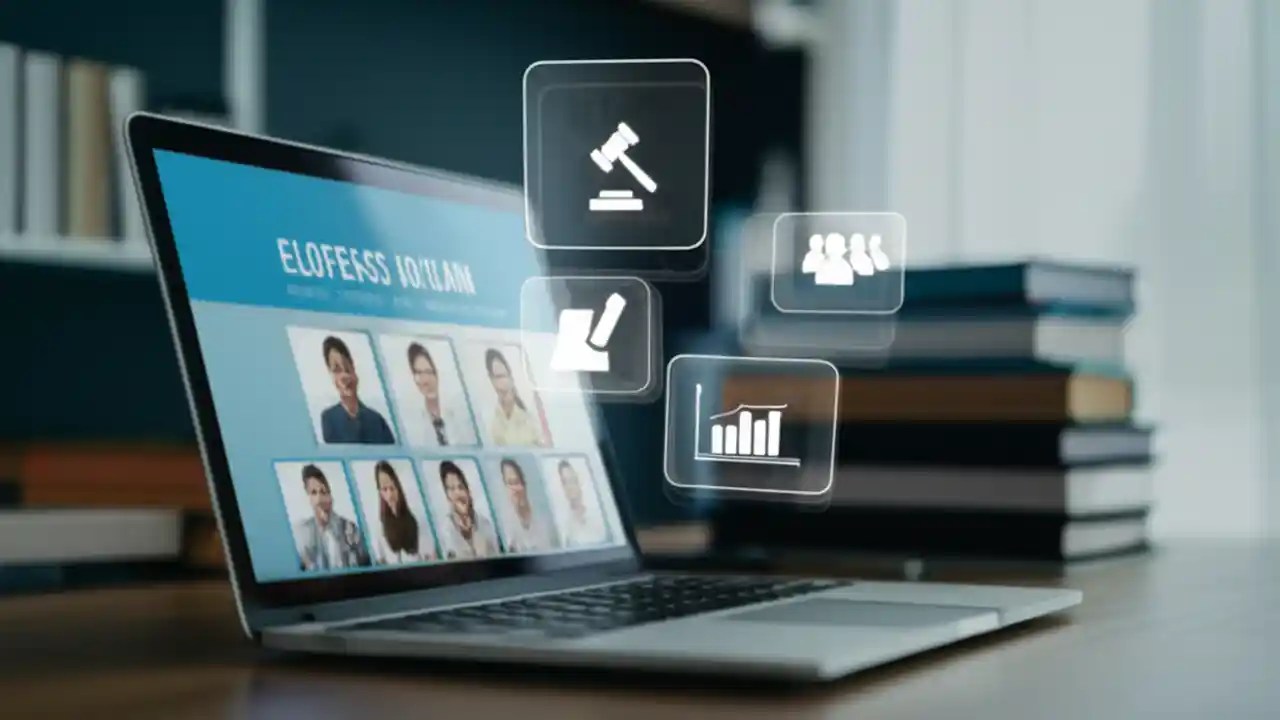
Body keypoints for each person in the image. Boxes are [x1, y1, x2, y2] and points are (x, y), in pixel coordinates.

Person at [292, 464, 371, 571]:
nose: (319, 499)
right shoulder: (302, 533)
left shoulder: (350, 529)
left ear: (330, 496)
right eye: (313, 493)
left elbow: (366, 564)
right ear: (308, 497)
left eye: (323, 492)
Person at [319, 335, 395, 444]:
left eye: (347, 368)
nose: (345, 376)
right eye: (337, 370)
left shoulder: (376, 420)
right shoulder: (329, 418)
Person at [406, 341, 475, 447]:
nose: (425, 380)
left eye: (429, 372)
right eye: (418, 373)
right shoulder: (413, 422)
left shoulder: (460, 413)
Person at [371, 460, 433, 565]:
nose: (389, 495)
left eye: (392, 488)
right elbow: (380, 562)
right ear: (380, 492)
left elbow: (429, 556)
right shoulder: (379, 527)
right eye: (384, 489)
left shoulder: (416, 519)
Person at [436, 460, 500, 560]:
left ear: (468, 491)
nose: (458, 494)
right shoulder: (445, 532)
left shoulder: (485, 524)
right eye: (452, 489)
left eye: (461, 487)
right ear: (447, 496)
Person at [484, 348, 547, 447]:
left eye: (503, 376)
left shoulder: (529, 418)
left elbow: (542, 446)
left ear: (510, 377)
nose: (501, 381)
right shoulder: (490, 420)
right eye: (496, 377)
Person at [498, 458, 557, 553]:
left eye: (516, 482)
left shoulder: (541, 520)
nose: (514, 489)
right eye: (510, 483)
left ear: (524, 485)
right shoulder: (504, 524)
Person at [555, 459, 607, 547]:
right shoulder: (565, 525)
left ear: (578, 481)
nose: (570, 486)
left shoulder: (597, 514)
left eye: (572, 480)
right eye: (565, 482)